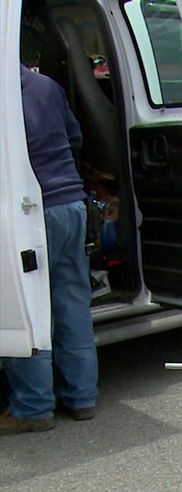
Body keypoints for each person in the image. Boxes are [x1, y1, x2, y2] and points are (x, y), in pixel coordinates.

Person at [1, 66, 99, 435]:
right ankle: (82, 398)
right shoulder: (46, 86)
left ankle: (33, 407)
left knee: (26, 308)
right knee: (72, 302)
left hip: (29, 211)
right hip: (71, 204)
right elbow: (74, 138)